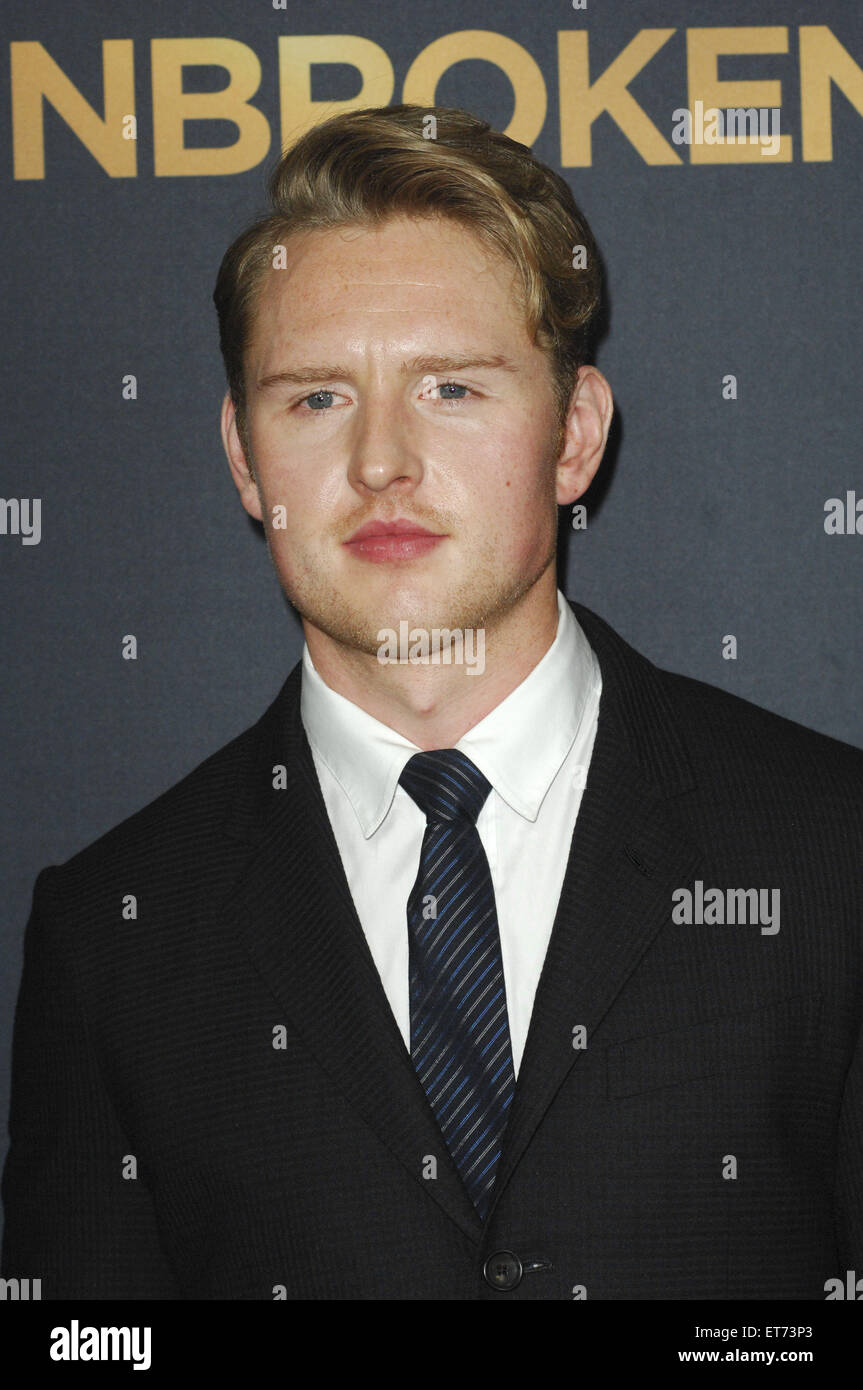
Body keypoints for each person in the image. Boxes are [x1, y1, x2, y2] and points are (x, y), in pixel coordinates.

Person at [2, 103, 861, 1301]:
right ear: (246, 463)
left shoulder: (832, 854)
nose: (378, 464)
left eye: (450, 388)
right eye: (313, 399)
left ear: (573, 437)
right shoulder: (115, 937)